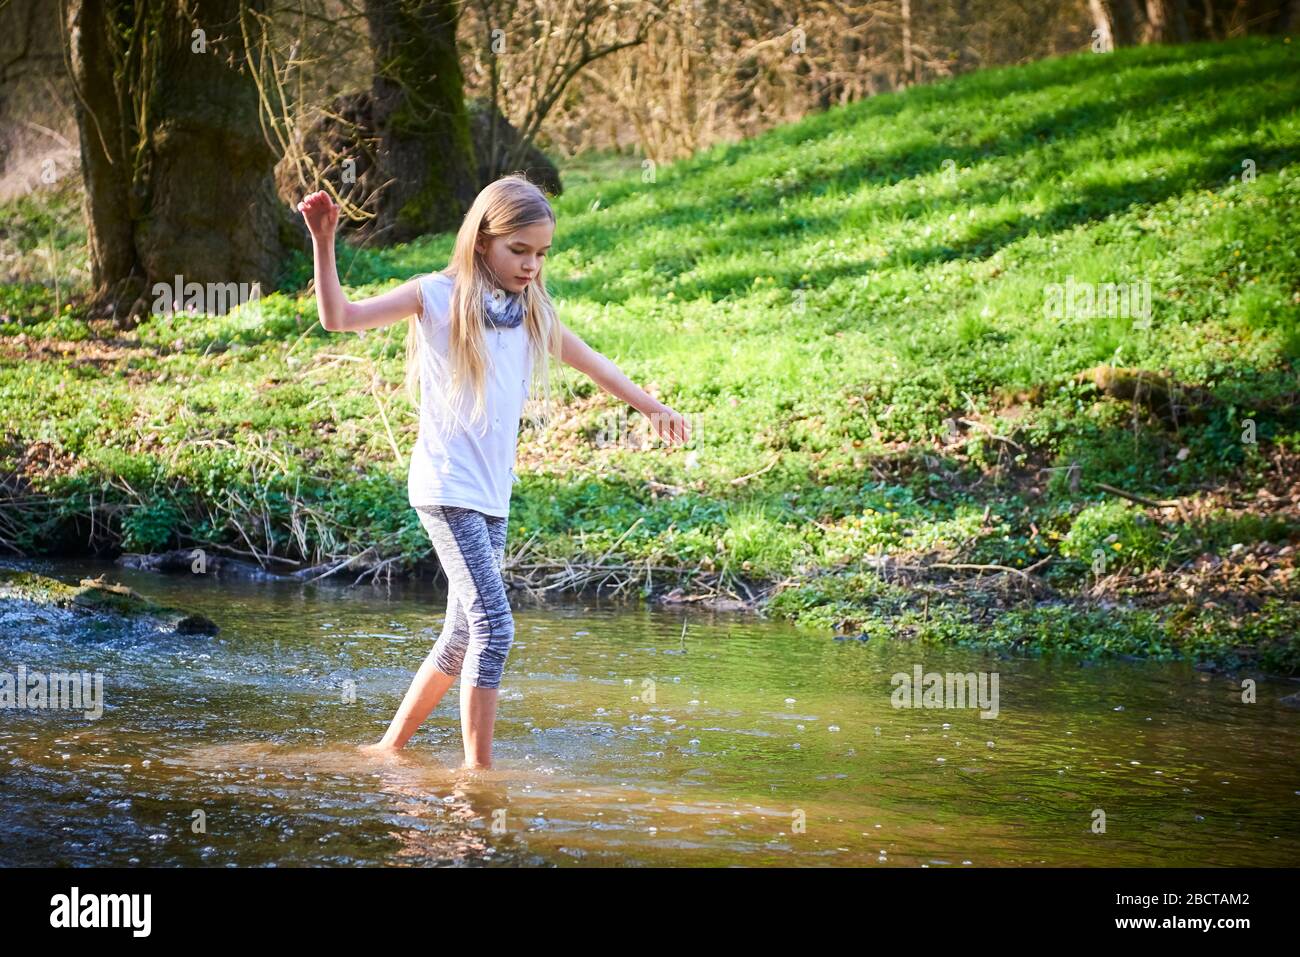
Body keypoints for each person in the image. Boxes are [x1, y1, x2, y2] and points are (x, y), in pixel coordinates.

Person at [298, 173, 690, 769]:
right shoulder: (433, 295)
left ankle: (387, 749)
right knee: (494, 626)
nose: (532, 265)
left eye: (541, 253)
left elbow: (593, 363)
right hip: (446, 486)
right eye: (519, 250)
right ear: (483, 240)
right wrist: (325, 243)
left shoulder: (530, 312)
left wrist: (653, 408)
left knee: (462, 633)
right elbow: (340, 318)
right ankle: (477, 774)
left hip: (490, 494)